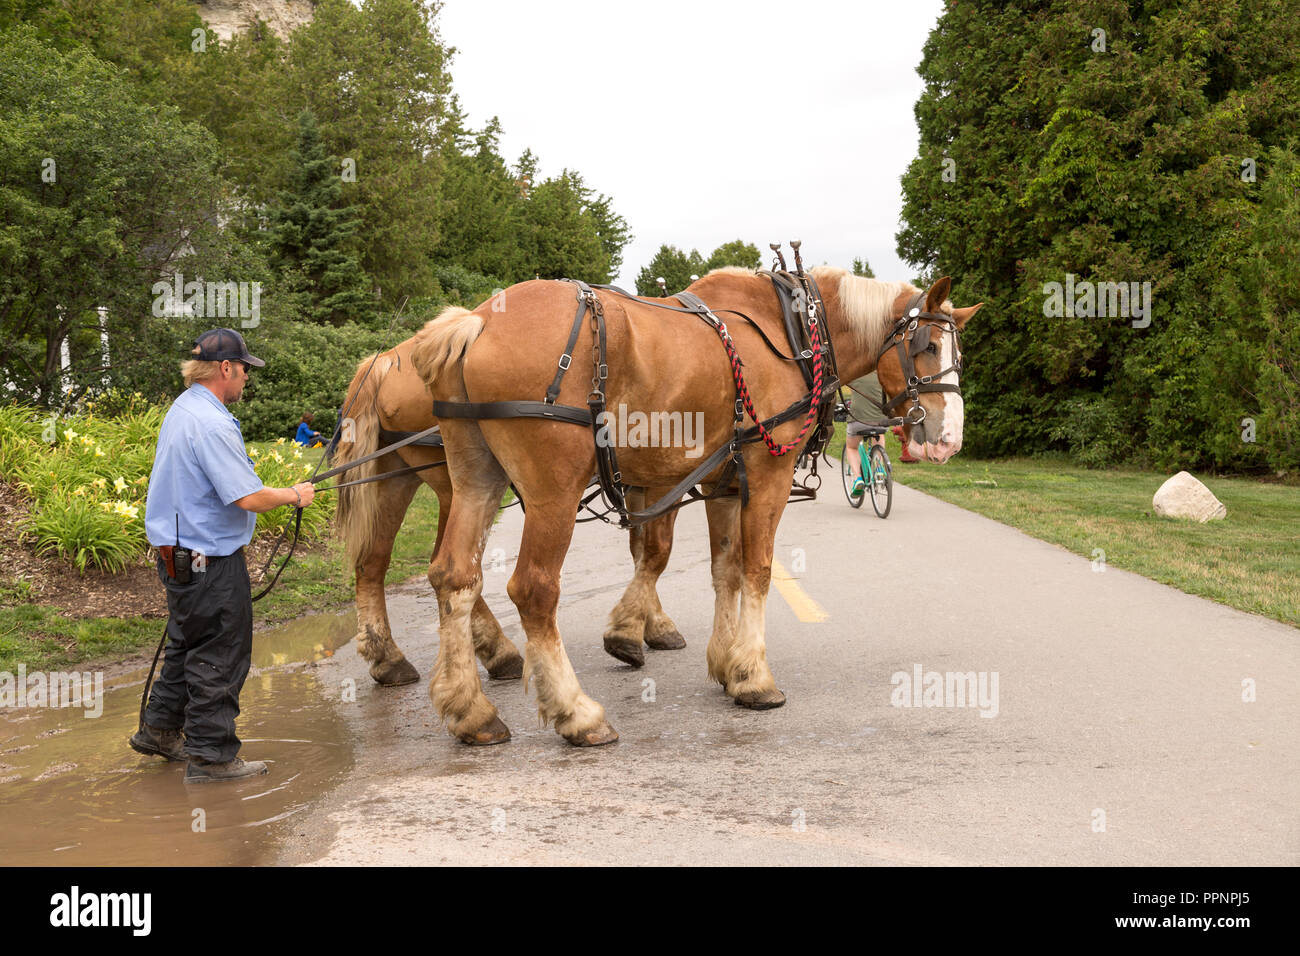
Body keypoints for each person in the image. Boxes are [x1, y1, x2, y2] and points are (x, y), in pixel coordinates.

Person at [133, 328, 317, 783]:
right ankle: (211, 757)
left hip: (176, 555)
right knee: (221, 652)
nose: (247, 381)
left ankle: (159, 730)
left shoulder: (184, 408)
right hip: (208, 561)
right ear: (226, 369)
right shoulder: (212, 423)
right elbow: (247, 497)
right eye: (245, 371)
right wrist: (295, 494)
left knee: (186, 644)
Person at [844, 371, 888, 497]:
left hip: (858, 421)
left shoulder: (855, 376)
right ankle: (879, 468)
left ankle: (858, 479)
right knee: (879, 435)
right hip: (881, 421)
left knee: (851, 447)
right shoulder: (881, 376)